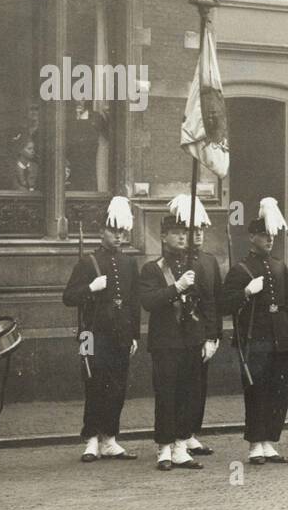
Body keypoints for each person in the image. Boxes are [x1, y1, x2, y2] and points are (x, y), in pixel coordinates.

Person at [221, 198, 288, 464]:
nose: (270, 240)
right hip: (254, 338)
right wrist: (245, 292)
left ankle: (269, 442)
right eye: (264, 235)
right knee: (257, 392)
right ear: (252, 237)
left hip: (280, 337)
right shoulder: (240, 269)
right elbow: (226, 304)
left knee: (279, 390)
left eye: (271, 235)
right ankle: (255, 443)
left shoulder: (279, 266)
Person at [62, 196, 140, 462]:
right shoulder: (87, 263)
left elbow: (133, 302)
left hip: (120, 334)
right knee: (93, 385)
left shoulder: (130, 264)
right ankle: (91, 439)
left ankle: (110, 438)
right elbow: (69, 297)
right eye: (112, 231)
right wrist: (90, 289)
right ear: (101, 232)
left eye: (121, 231)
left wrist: (134, 335)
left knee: (117, 387)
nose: (118, 236)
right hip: (90, 334)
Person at [139, 210, 214, 471]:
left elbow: (206, 304)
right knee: (166, 394)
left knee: (188, 395)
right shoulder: (152, 269)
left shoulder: (195, 267)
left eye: (184, 233)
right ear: (163, 236)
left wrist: (208, 337)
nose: (182, 237)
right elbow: (148, 302)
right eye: (176, 233)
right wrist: (177, 288)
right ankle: (164, 447)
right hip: (165, 342)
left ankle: (181, 447)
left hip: (191, 340)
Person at [174, 194, 220, 458]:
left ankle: (192, 432)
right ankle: (180, 433)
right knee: (182, 386)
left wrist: (213, 336)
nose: (199, 235)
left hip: (203, 334)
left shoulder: (209, 261)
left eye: (201, 229)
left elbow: (213, 300)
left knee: (199, 386)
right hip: (182, 333)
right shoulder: (178, 262)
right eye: (193, 230)